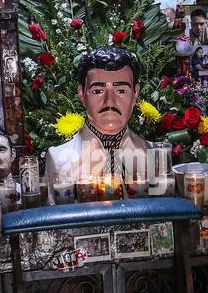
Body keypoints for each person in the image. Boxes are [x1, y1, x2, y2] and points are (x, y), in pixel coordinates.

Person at [44, 47, 151, 199]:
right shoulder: (59, 159)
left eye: (121, 91)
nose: (110, 101)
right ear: (82, 94)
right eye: (97, 91)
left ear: (135, 93)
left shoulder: (153, 155)